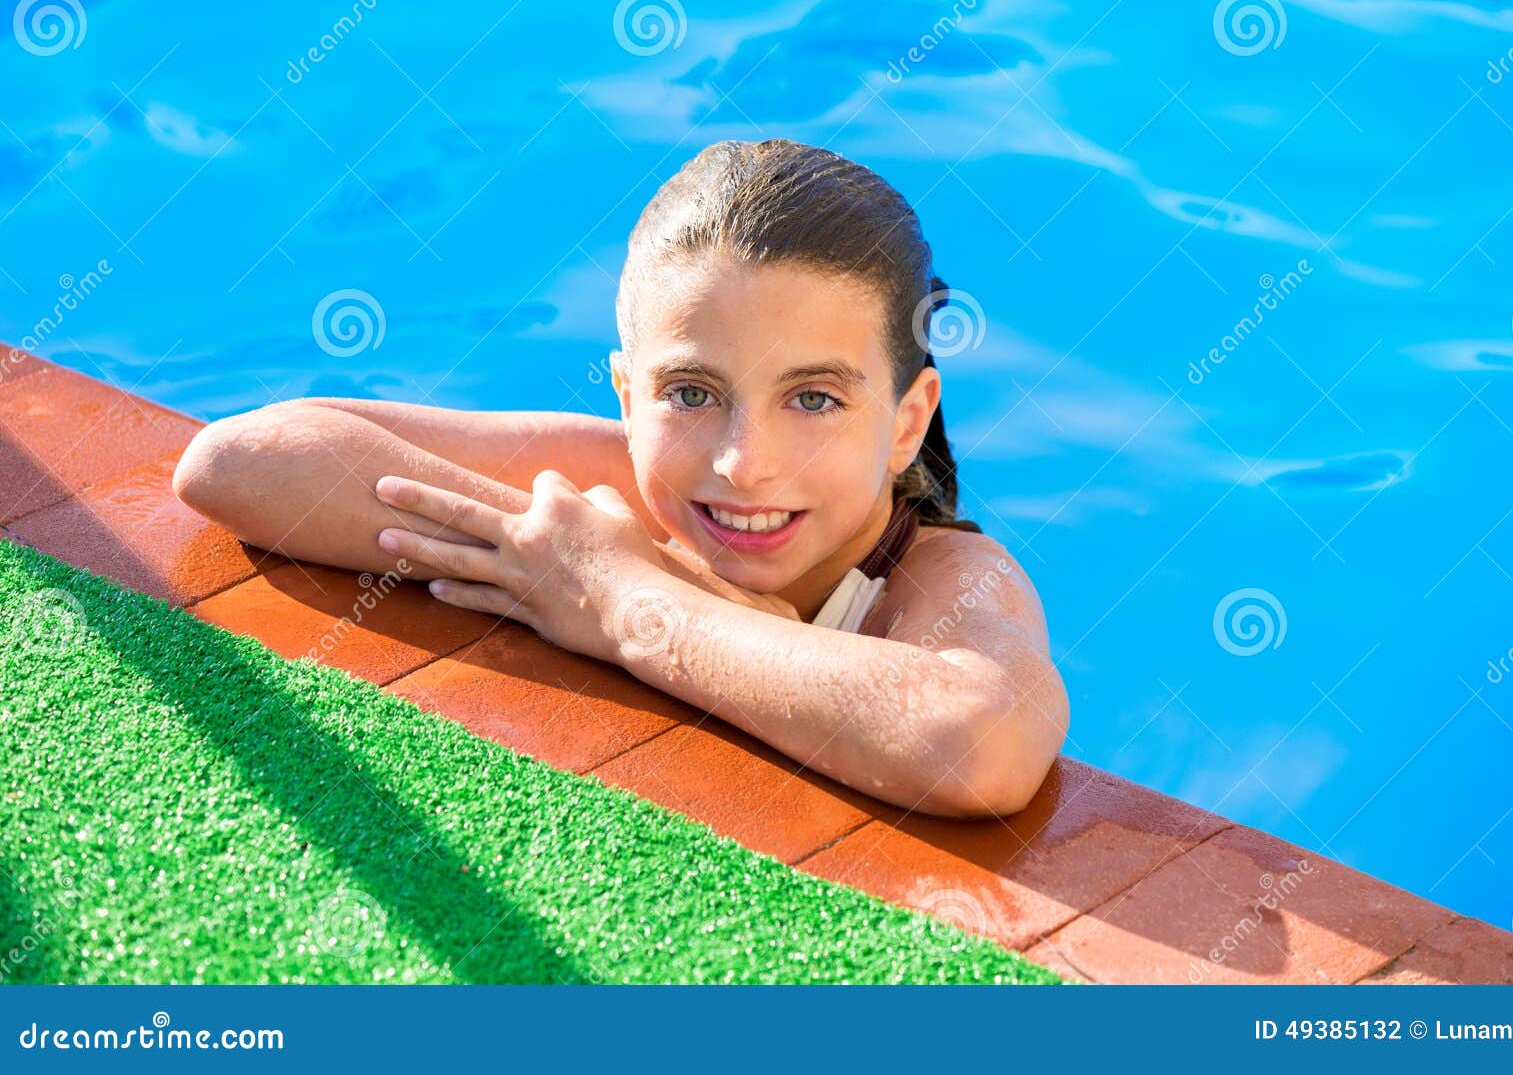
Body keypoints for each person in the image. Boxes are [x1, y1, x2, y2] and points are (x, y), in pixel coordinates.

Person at [173, 139, 1068, 818]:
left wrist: (627, 603)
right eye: (691, 392)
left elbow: (976, 744)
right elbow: (237, 462)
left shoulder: (945, 582)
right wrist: (563, 563)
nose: (743, 462)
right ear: (626, 396)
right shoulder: (615, 482)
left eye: (815, 399)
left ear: (906, 421)